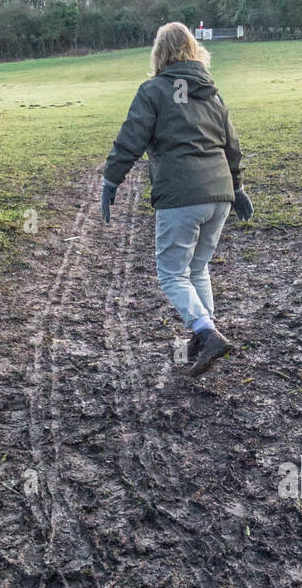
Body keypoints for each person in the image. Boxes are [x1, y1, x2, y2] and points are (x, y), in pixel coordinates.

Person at [101, 21, 253, 375]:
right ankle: (206, 333)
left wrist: (111, 180)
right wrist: (238, 188)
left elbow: (131, 138)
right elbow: (231, 146)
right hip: (219, 196)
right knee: (197, 268)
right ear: (193, 49)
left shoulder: (153, 91)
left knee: (171, 274)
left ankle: (205, 332)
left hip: (182, 195)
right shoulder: (211, 93)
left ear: (159, 52)